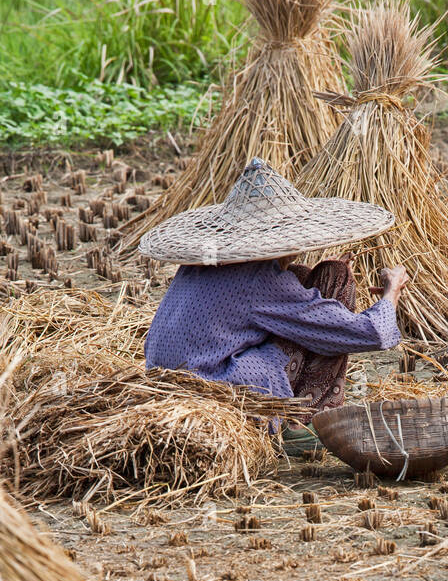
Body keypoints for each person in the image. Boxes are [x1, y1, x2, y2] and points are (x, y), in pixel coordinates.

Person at [141, 158, 410, 447]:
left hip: (164, 383)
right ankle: (302, 422)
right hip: (217, 388)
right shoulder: (259, 279)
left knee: (304, 275)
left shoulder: (201, 261)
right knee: (335, 280)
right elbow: (369, 332)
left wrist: (311, 279)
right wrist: (390, 292)